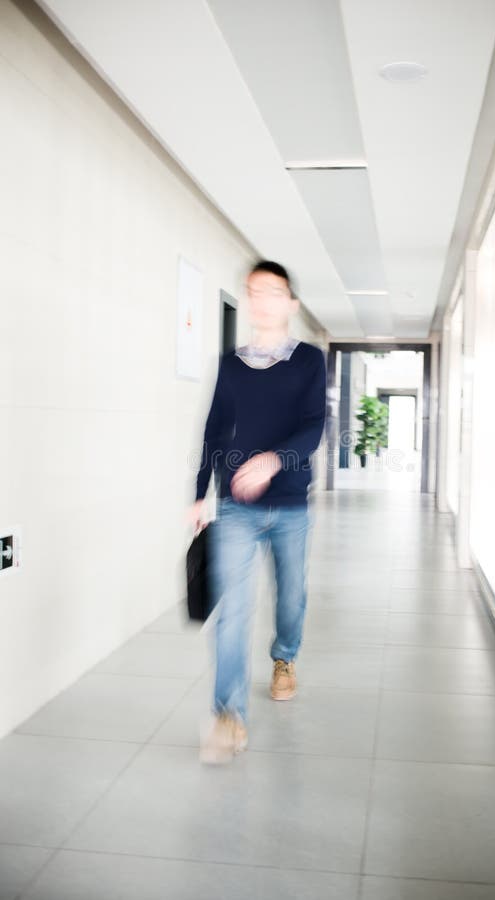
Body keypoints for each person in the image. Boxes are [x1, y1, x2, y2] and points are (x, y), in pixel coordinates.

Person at [188, 260, 326, 765]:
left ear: (290, 303)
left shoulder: (309, 360)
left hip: (289, 504)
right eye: (254, 292)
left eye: (273, 292)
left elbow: (314, 426)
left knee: (290, 596)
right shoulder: (229, 364)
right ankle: (228, 716)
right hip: (236, 508)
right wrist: (201, 491)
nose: (262, 300)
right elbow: (213, 428)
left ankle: (284, 657)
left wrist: (273, 460)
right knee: (233, 613)